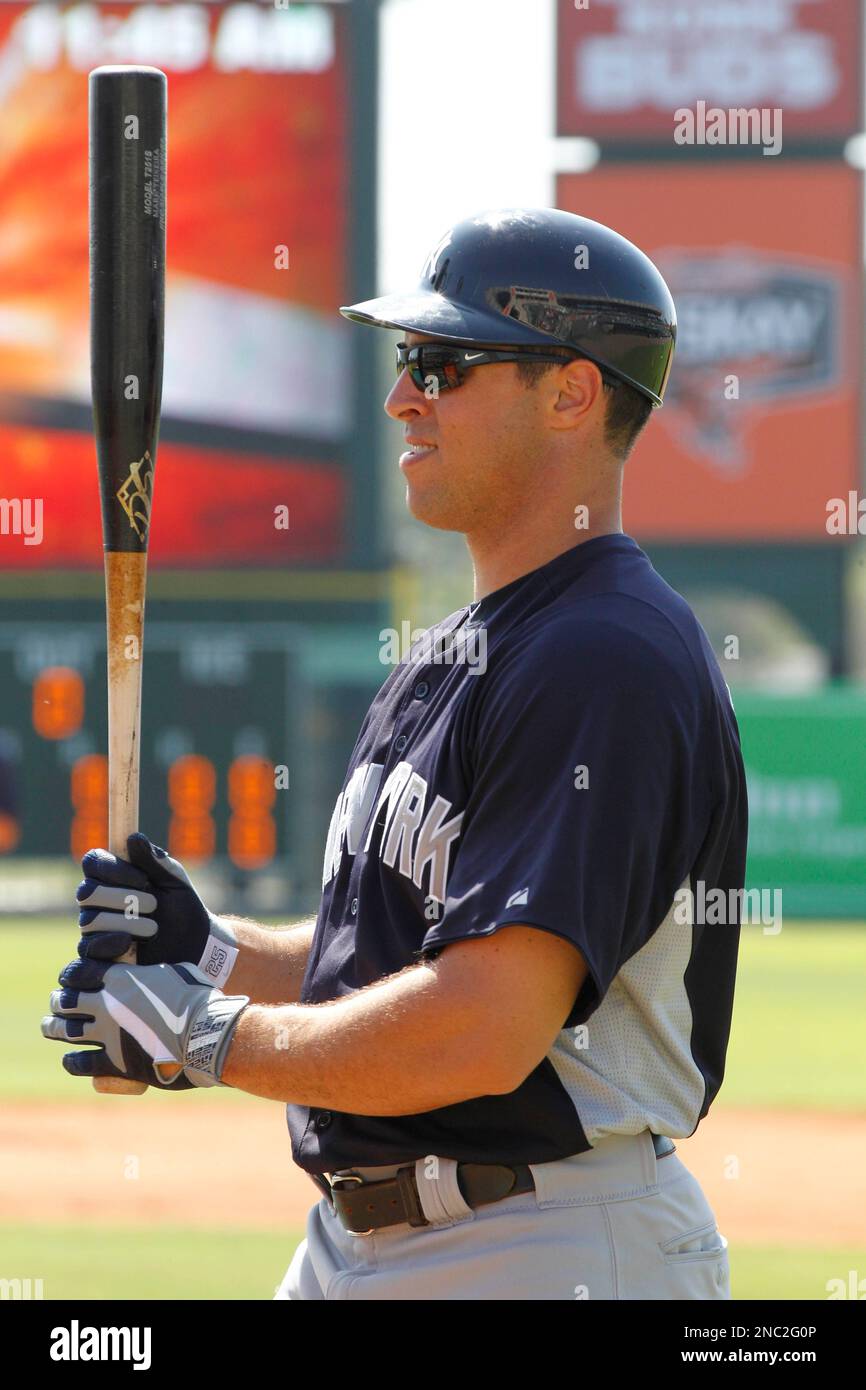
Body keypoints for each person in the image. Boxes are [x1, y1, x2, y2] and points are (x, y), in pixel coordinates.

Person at [43, 208, 748, 1301]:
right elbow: (386, 959)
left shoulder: (603, 656)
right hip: (367, 1239)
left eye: (443, 363)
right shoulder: (463, 647)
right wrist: (215, 949)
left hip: (538, 1240)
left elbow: (479, 1024)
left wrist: (205, 1031)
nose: (400, 396)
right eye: (409, 360)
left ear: (571, 392)